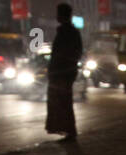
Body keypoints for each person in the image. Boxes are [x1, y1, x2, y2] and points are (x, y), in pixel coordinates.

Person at [46, 3, 82, 141]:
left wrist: (58, 69)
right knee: (63, 102)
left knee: (63, 102)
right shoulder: (67, 31)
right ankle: (68, 130)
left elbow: (65, 54)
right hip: (64, 73)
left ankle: (69, 130)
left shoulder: (67, 32)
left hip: (62, 74)